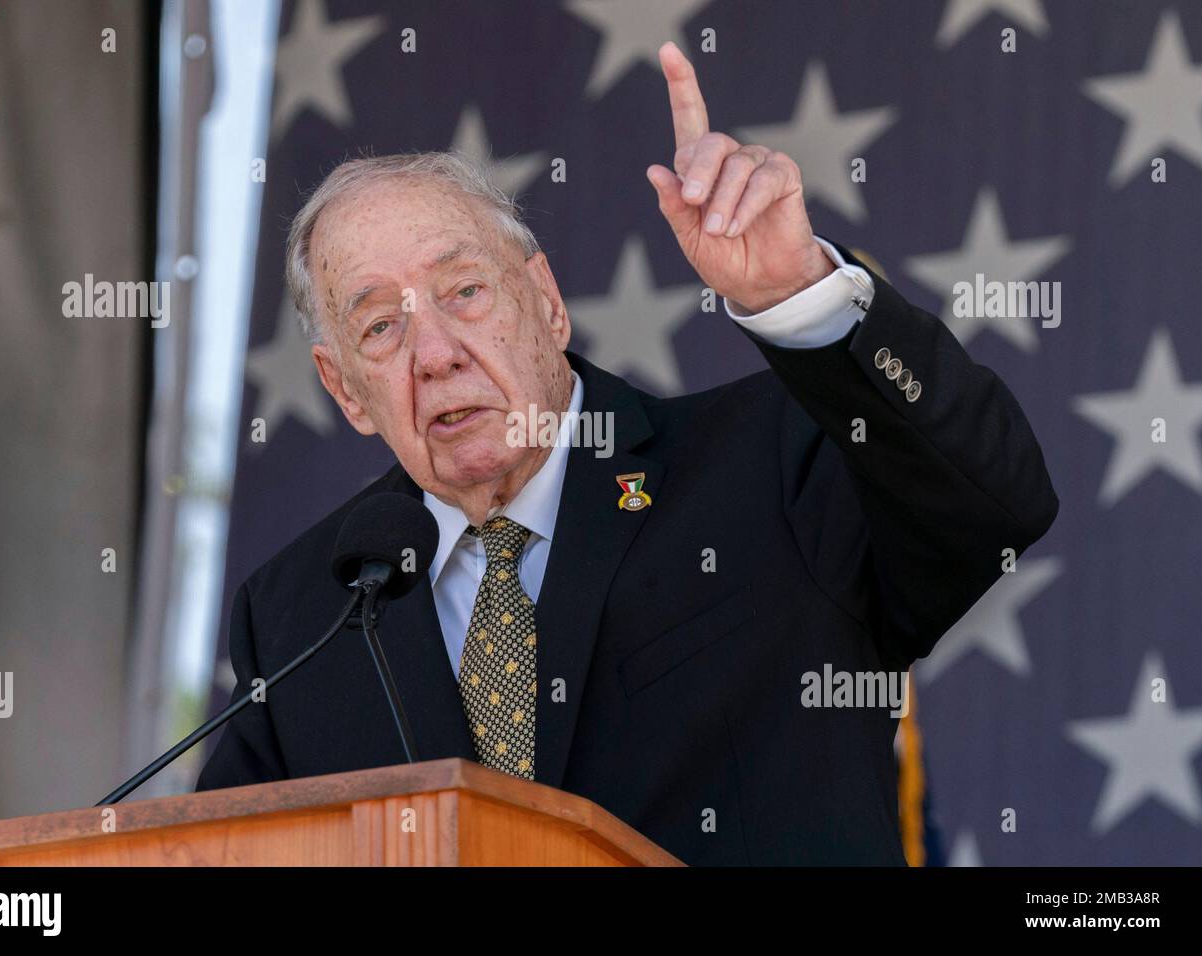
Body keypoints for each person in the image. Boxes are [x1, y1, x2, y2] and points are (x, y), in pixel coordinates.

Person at [196, 43, 1057, 865]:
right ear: (344, 388)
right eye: (381, 326)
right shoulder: (298, 614)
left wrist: (799, 295)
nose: (435, 352)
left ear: (545, 301)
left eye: (464, 291)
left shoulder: (774, 460)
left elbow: (996, 505)